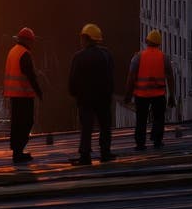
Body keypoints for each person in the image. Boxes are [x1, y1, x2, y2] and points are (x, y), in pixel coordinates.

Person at [68, 23, 116, 166]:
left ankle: (85, 156)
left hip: (85, 99)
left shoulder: (79, 57)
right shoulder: (106, 54)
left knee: (86, 127)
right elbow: (111, 75)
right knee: (105, 126)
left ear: (86, 39)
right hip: (103, 98)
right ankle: (105, 153)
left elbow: (73, 79)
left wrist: (74, 93)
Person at [124, 28, 176, 150]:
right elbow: (170, 77)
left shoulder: (138, 57)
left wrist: (128, 95)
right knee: (159, 118)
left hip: (141, 95)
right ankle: (157, 141)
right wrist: (171, 95)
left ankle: (140, 144)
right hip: (158, 94)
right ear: (159, 43)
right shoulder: (164, 58)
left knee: (141, 119)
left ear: (147, 41)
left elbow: (131, 77)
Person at [3, 26, 43, 163]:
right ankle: (18, 151)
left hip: (14, 95)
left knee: (17, 124)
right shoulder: (24, 53)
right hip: (24, 95)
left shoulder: (13, 51)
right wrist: (39, 92)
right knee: (26, 123)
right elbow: (30, 76)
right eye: (32, 41)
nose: (33, 44)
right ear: (27, 41)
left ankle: (16, 151)